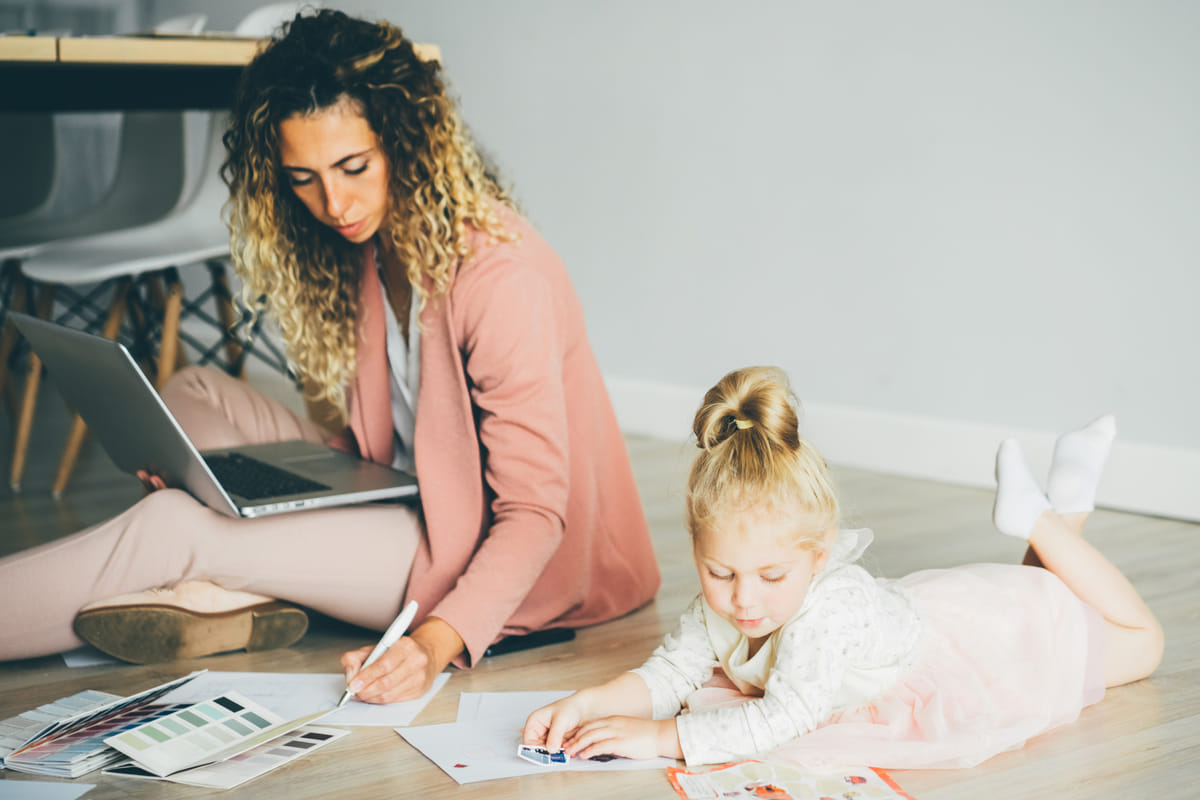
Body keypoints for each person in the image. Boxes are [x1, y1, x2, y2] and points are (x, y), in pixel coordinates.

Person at [0, 9, 660, 702]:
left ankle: (211, 574)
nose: (333, 202)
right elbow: (391, 433)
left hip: (467, 552)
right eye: (303, 177)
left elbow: (534, 516)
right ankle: (229, 583)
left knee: (175, 525)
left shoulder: (503, 278)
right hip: (398, 487)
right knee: (194, 391)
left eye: (353, 167)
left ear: (409, 144)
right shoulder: (374, 241)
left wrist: (432, 644)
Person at [521, 366, 1163, 769]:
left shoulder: (829, 610)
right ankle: (1068, 498)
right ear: (697, 551)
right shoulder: (722, 604)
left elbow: (785, 718)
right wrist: (591, 702)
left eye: (772, 577)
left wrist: (661, 739)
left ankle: (1043, 521)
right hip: (954, 610)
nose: (744, 600)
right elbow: (670, 671)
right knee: (1043, 590)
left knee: (1144, 644)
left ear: (819, 553)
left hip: (973, 649)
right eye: (720, 573)